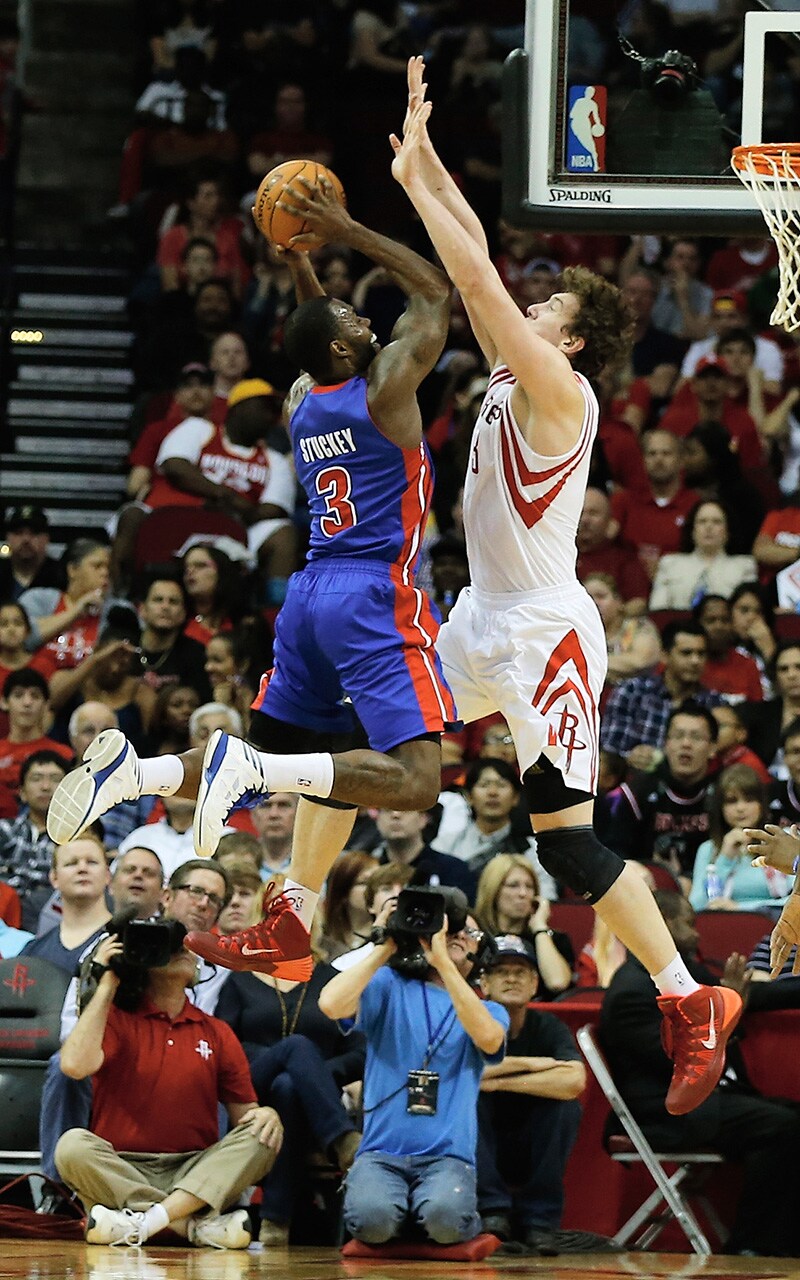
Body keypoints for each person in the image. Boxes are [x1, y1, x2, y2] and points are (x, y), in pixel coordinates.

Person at [388, 55, 740, 1116]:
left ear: (571, 339)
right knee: (382, 738)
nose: (529, 303)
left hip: (544, 632)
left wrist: (417, 192)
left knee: (569, 844)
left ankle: (688, 997)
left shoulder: (561, 390)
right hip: (479, 615)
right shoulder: (514, 364)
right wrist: (421, 161)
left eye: (548, 305)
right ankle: (291, 898)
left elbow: (477, 282)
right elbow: (481, 261)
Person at [48, 154, 455, 987]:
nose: (369, 323)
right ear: (345, 345)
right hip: (372, 591)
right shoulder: (385, 388)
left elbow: (319, 330)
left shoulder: (305, 400)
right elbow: (435, 293)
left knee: (284, 749)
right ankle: (253, 771)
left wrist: (300, 257)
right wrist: (344, 229)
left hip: (308, 595)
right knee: (418, 782)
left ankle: (137, 772)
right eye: (356, 321)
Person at [600, 890, 800, 1257]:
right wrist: (726, 1014)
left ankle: (780, 1242)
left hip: (710, 1101)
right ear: (662, 924)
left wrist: (735, 999)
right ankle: (751, 1245)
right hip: (666, 1112)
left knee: (792, 1116)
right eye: (688, 924)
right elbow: (681, 1058)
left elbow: (753, 995)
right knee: (783, 1127)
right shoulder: (631, 990)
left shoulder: (684, 976)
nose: (696, 934)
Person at [54, 929, 282, 1250]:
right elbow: (73, 1065)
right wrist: (107, 983)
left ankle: (139, 1223)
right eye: (171, 946)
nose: (183, 950)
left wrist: (266, 1115)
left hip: (194, 1169)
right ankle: (190, 1226)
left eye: (186, 945)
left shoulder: (217, 1031)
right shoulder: (116, 1019)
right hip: (121, 1168)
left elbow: (246, 1117)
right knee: (71, 1146)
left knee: (264, 1135)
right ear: (143, 960)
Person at [318, 905, 508, 1245]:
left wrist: (444, 965)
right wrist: (384, 946)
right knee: (372, 1222)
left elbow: (490, 1039)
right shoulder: (390, 985)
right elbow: (331, 1003)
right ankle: (404, 1215)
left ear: (480, 949)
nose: (456, 936)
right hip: (381, 1154)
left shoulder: (488, 1010)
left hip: (448, 1157)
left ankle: (437, 1216)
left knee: (446, 1220)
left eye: (467, 932)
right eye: (448, 930)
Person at [477, 935, 584, 1252]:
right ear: (484, 983)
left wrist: (498, 1081)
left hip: (532, 1144)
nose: (511, 978)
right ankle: (492, 1212)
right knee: (468, 1100)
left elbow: (574, 1081)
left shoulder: (548, 1027)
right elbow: (461, 1078)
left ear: (535, 983)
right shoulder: (472, 1022)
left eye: (520, 972)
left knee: (566, 1107)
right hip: (479, 1147)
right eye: (501, 971)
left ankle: (539, 1220)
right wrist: (533, 1064)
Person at [606, 702, 719, 882]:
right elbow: (614, 852)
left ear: (713, 748)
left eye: (696, 737)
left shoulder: (724, 793)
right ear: (666, 743)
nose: (686, 744)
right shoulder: (636, 792)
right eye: (678, 736)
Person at [600, 620, 722, 770]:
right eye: (686, 653)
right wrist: (629, 757)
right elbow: (608, 749)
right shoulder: (631, 691)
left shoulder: (713, 702)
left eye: (701, 654)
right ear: (664, 655)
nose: (695, 661)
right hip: (629, 777)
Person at [689, 764, 790, 913]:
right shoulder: (708, 849)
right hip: (723, 923)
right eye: (731, 801)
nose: (740, 808)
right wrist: (725, 858)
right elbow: (696, 906)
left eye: (749, 800)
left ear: (762, 804)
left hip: (776, 922)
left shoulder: (783, 839)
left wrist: (741, 908)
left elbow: (796, 900)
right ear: (720, 807)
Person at [474, 854, 573, 1001]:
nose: (523, 893)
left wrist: (540, 927)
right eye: (513, 885)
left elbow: (557, 983)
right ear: (493, 890)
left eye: (529, 887)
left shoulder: (554, 940)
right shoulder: (475, 937)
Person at [20, 834, 110, 973]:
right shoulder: (32, 951)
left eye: (92, 862)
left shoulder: (126, 942)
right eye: (71, 863)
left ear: (107, 875)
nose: (82, 868)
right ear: (54, 878)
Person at [648, 500, 757, 612]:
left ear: (728, 531)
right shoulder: (670, 564)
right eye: (702, 521)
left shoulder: (744, 566)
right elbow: (658, 611)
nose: (708, 527)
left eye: (717, 522)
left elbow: (747, 611)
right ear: (692, 530)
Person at [0, 750, 67, 931]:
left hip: (51, 921)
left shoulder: (76, 840)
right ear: (22, 792)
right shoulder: (4, 830)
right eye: (36, 779)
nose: (45, 787)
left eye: (55, 779)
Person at [372, 806, 477, 901]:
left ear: (423, 818)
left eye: (406, 809)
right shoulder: (370, 870)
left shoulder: (453, 870)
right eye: (387, 810)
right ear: (377, 818)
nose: (395, 815)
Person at [694, 594, 763, 704]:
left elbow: (757, 710)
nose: (719, 627)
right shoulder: (690, 664)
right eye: (711, 621)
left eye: (725, 620)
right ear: (697, 624)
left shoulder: (748, 665)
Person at [318, 848, 378, 963]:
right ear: (343, 890)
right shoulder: (319, 939)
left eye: (379, 883)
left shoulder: (387, 940)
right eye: (365, 883)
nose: (374, 889)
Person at [0, 505, 61, 601]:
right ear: (8, 537)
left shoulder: (61, 576)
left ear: (46, 538)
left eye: (34, 533)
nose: (26, 539)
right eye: (19, 533)